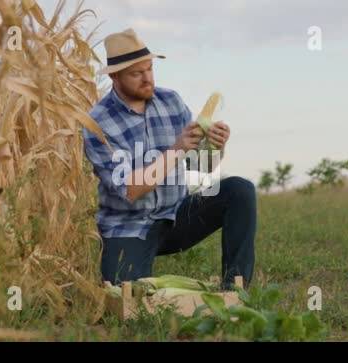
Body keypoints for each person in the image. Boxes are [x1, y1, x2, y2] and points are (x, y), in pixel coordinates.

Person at [82, 28, 256, 290]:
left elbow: (201, 166)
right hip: (128, 226)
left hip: (177, 215)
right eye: (137, 73)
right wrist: (177, 148)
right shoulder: (98, 123)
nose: (147, 78)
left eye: (149, 69)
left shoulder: (170, 101)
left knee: (240, 190)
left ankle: (235, 290)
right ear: (115, 77)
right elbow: (129, 189)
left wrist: (217, 146)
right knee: (126, 296)